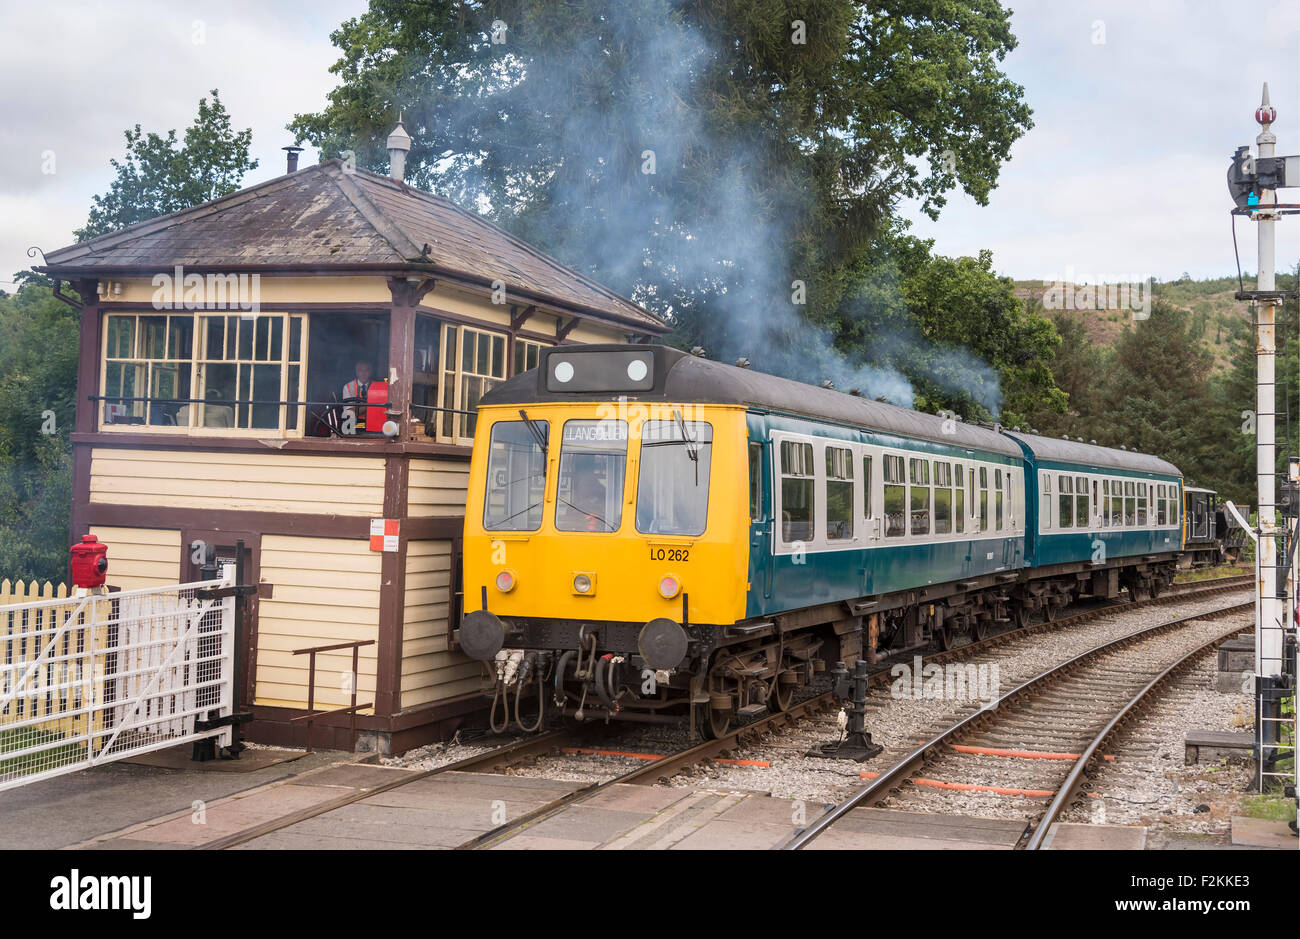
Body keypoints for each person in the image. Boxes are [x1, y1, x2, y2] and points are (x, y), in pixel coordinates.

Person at [342, 360, 372, 432]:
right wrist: (370, 406)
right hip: (353, 425)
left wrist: (357, 408)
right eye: (360, 370)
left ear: (371, 372)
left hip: (372, 424)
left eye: (366, 370)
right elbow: (348, 413)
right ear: (356, 372)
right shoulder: (348, 387)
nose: (363, 373)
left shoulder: (377, 387)